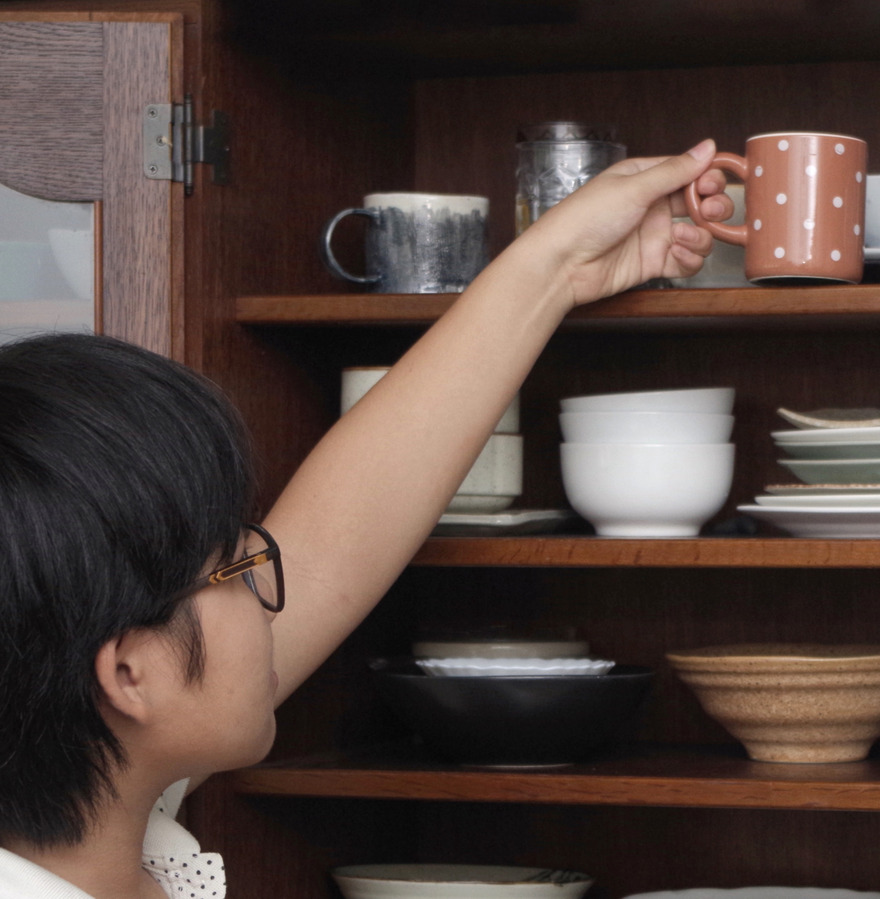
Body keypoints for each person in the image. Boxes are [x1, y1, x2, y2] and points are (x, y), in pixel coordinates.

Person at [0, 141, 731, 899]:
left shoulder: (98, 802)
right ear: (127, 673)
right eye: (241, 571)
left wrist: (557, 266)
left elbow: (333, 543)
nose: (279, 591)